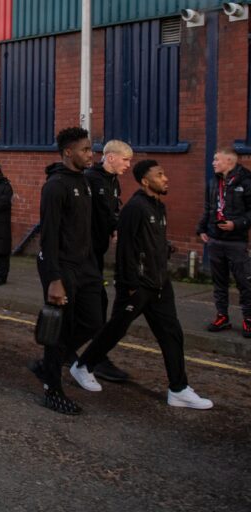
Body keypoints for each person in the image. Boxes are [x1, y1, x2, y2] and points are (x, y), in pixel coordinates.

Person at [70, 160, 214, 410]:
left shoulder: (158, 207)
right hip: (137, 286)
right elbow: (125, 249)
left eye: (164, 173)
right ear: (146, 181)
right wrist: (130, 285)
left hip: (159, 284)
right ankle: (83, 366)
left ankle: (178, 389)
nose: (166, 178)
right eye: (160, 175)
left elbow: (150, 242)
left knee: (172, 335)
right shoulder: (135, 208)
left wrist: (164, 250)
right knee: (115, 329)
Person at [30, 127, 102, 415]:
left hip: (86, 266)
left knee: (94, 321)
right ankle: (52, 391)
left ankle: (47, 365)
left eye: (90, 149)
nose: (90, 154)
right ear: (68, 152)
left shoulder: (83, 182)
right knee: (58, 330)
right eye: (85, 150)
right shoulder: (56, 186)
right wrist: (54, 279)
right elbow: (48, 236)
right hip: (61, 267)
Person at [83, 139, 133, 382]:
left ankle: (64, 352)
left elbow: (112, 209)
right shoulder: (91, 179)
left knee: (89, 305)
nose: (128, 165)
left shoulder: (112, 180)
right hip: (84, 254)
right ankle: (96, 359)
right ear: (110, 157)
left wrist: (115, 226)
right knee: (96, 305)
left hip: (96, 253)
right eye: (125, 160)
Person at [197, 147, 251, 338]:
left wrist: (236, 224)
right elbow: (208, 207)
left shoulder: (246, 181)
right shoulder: (214, 182)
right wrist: (202, 229)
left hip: (236, 241)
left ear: (229, 161)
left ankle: (248, 319)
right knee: (219, 282)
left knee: (244, 281)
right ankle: (222, 316)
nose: (213, 163)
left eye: (216, 159)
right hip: (215, 239)